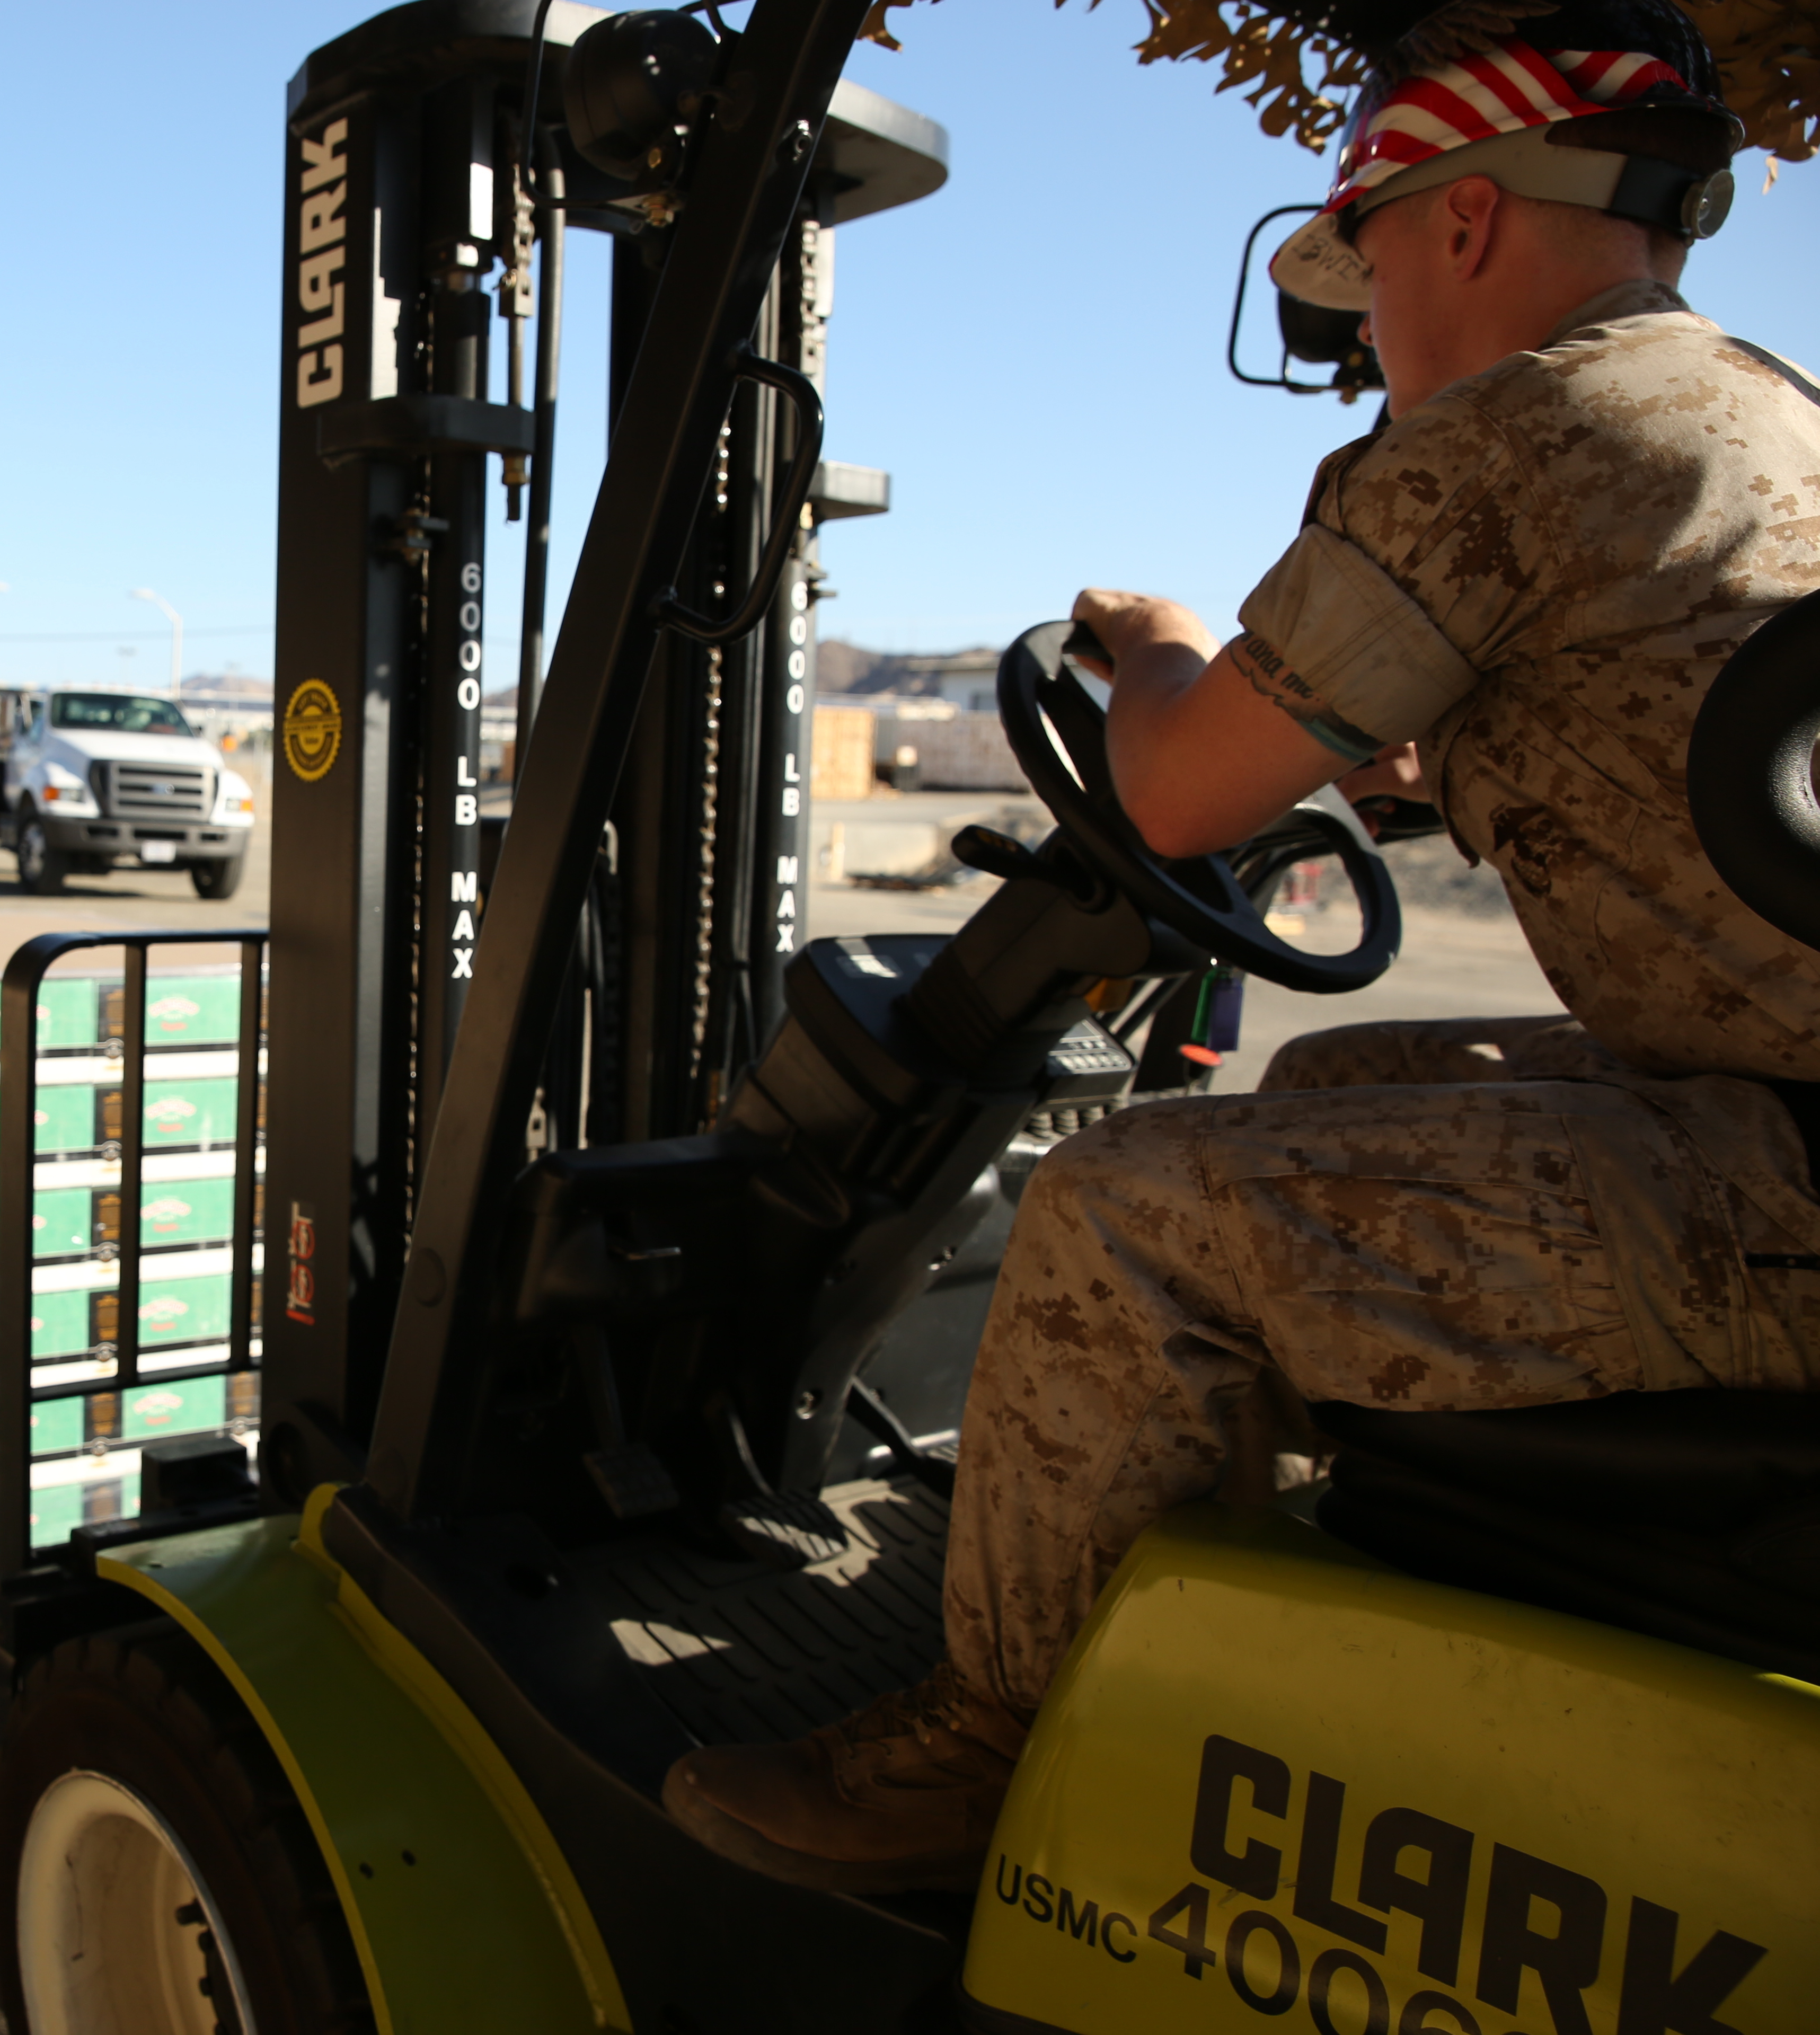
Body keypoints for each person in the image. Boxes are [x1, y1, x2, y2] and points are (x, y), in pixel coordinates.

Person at [662, 2, 1820, 1894]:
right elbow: (1626, 751)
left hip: (1776, 1191)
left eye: (1359, 262)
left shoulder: (1514, 433)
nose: (1360, 329)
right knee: (1337, 1085)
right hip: (1772, 1125)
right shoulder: (1746, 406)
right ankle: (1251, 1610)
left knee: (1119, 1206)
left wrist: (1166, 645)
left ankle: (972, 1756)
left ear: (1454, 220)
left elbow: (1185, 794)